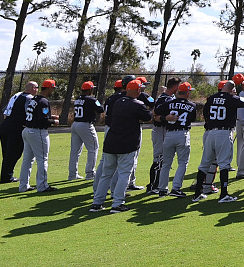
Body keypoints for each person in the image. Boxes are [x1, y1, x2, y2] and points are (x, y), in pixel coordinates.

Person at [90, 80, 152, 213]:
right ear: (136, 90)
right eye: (139, 89)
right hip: (127, 143)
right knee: (124, 174)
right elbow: (148, 117)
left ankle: (97, 203)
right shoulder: (138, 104)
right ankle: (117, 203)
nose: (140, 91)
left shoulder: (118, 102)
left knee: (106, 174)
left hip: (111, 141)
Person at [194, 79, 244, 203]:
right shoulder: (231, 98)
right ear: (231, 89)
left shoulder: (211, 98)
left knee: (204, 164)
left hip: (210, 132)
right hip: (224, 133)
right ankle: (224, 194)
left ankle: (197, 193)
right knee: (224, 164)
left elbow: (205, 114)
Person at [154, 81, 197, 196]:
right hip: (182, 134)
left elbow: (156, 112)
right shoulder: (192, 105)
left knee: (166, 163)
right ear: (187, 93)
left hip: (169, 134)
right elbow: (192, 119)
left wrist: (165, 117)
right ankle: (176, 188)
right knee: (182, 162)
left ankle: (162, 188)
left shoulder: (169, 103)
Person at [20, 80, 59, 193]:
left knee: (27, 160)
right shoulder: (43, 101)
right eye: (53, 88)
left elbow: (37, 115)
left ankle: (23, 186)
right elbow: (43, 119)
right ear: (49, 88)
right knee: (42, 159)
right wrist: (53, 122)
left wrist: (50, 116)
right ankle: (42, 186)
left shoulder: (34, 99)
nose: (53, 90)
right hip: (37, 132)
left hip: (27, 130)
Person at [146, 78, 181, 193]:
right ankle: (152, 186)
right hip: (160, 130)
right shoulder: (163, 99)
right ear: (175, 87)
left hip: (167, 131)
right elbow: (155, 116)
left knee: (164, 159)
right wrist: (166, 118)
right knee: (159, 158)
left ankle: (159, 184)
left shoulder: (172, 98)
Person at [0, 81, 34, 184]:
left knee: (7, 153)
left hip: (5, 126)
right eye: (36, 87)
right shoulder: (29, 98)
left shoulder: (16, 96)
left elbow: (5, 113)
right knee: (14, 153)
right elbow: (29, 113)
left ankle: (6, 175)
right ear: (32, 88)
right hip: (15, 128)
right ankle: (7, 177)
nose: (37, 90)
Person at [68, 81, 103, 182]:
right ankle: (90, 173)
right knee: (93, 148)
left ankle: (72, 174)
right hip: (85, 125)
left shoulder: (78, 99)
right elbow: (100, 109)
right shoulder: (91, 99)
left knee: (75, 151)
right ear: (90, 89)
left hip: (75, 124)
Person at [229, 73, 244, 182]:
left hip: (239, 122)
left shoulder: (239, 93)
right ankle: (241, 170)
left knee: (240, 146)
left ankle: (240, 166)